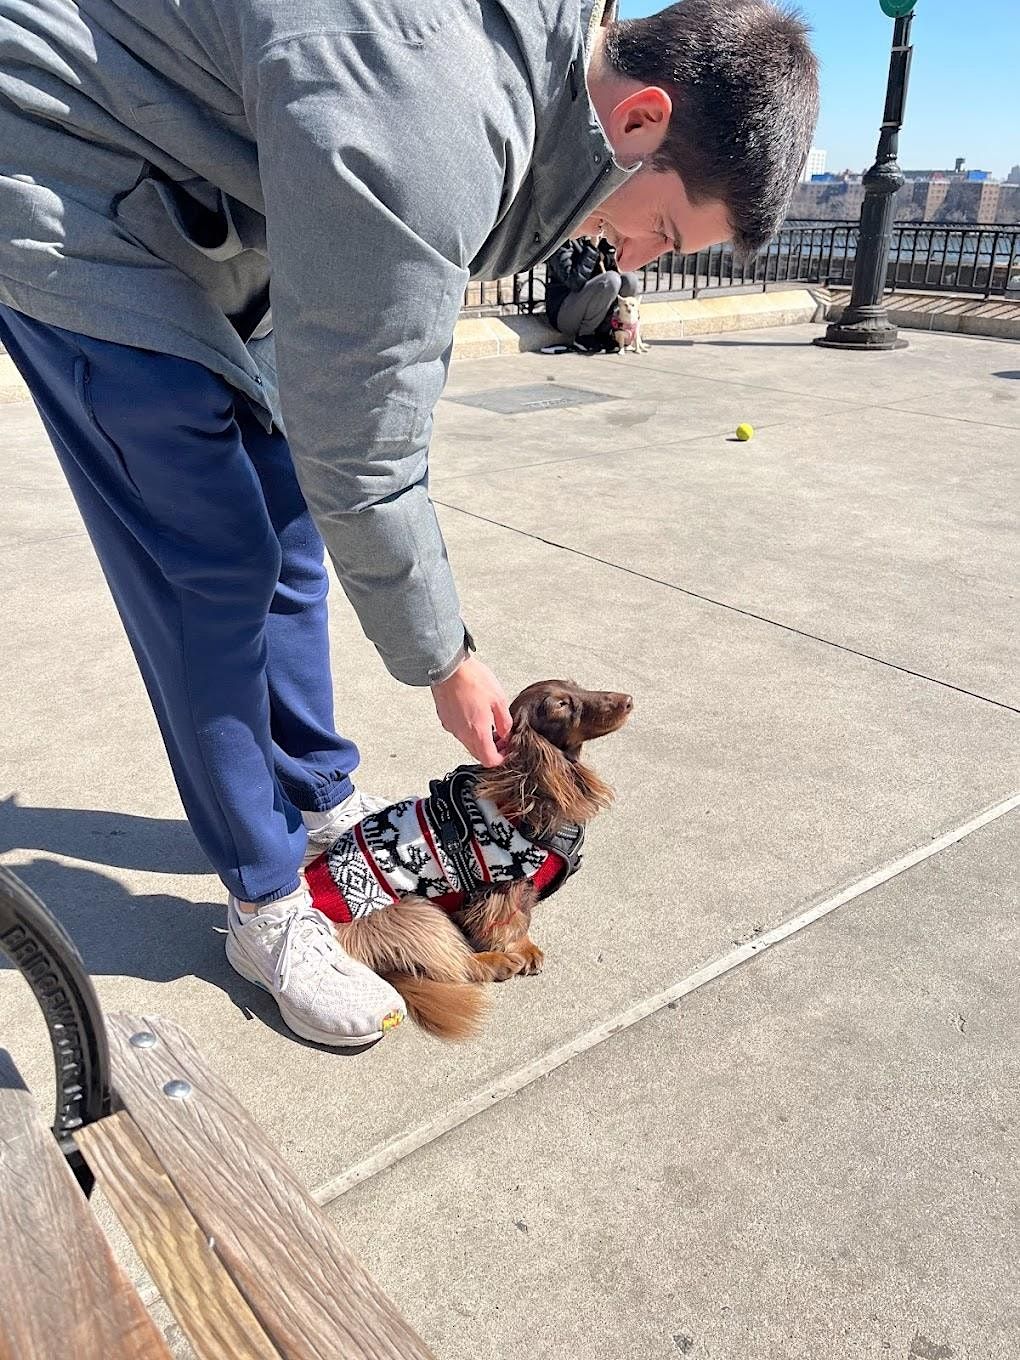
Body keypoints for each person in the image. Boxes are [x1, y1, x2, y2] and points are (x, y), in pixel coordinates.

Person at [0, 0, 818, 1046]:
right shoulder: (432, 120)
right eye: (661, 230)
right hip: (62, 169)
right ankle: (266, 906)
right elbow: (368, 451)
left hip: (193, 190)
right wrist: (448, 660)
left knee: (288, 521)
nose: (636, 259)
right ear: (642, 119)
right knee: (212, 567)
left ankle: (315, 798)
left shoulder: (520, 79)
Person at [546, 235, 641, 352]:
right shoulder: (562, 241)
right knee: (611, 280)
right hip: (564, 313)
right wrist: (591, 247)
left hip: (590, 310)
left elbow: (612, 273)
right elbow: (574, 282)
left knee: (630, 281)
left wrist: (610, 249)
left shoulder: (601, 238)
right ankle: (584, 337)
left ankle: (609, 333)